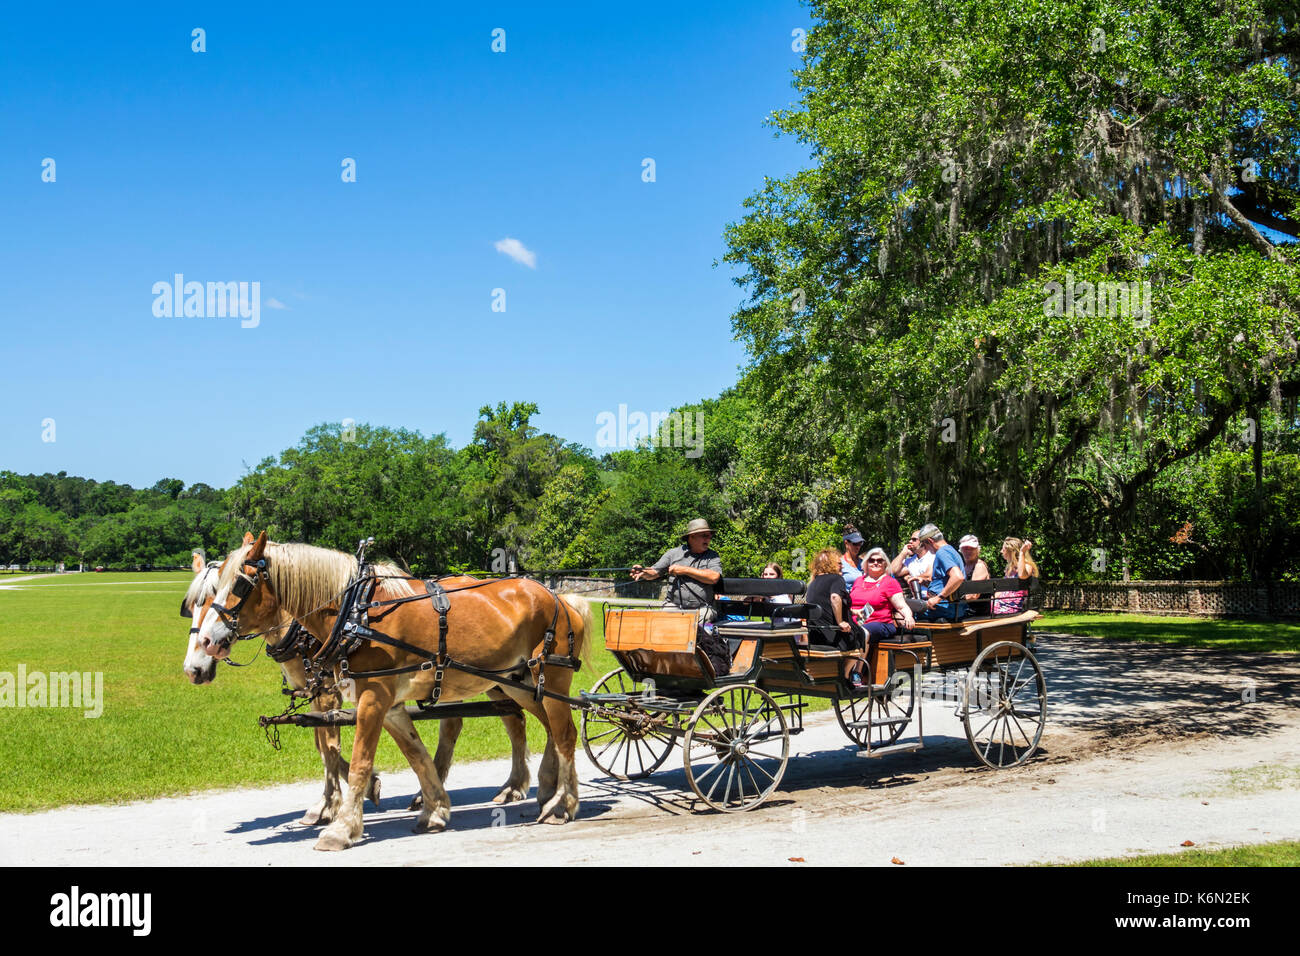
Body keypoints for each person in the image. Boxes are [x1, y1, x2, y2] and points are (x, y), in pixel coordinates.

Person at [631, 518, 728, 674]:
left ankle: (699, 666)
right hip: (674, 606)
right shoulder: (674, 554)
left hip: (702, 608)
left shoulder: (712, 556)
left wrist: (684, 570)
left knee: (695, 627)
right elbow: (655, 572)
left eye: (709, 536)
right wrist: (642, 572)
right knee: (658, 625)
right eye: (704, 536)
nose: (708, 539)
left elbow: (713, 577)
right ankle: (659, 664)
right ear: (691, 537)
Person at [848, 547, 915, 685]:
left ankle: (857, 672)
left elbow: (901, 605)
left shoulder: (889, 582)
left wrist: (909, 616)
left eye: (880, 560)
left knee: (863, 632)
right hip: (856, 622)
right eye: (872, 560)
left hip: (881, 623)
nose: (876, 563)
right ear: (866, 564)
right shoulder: (858, 581)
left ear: (885, 564)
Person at [804, 548, 864, 683]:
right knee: (861, 637)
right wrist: (840, 621)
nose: (841, 565)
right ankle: (846, 675)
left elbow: (823, 604)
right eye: (838, 563)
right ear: (829, 564)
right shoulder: (836, 578)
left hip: (816, 635)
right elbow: (835, 598)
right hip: (834, 636)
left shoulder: (813, 582)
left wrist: (852, 611)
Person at [911, 524, 967, 621]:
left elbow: (958, 577)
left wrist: (938, 598)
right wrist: (925, 581)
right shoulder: (951, 550)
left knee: (903, 611)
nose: (925, 549)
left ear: (930, 541)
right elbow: (944, 580)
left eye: (924, 545)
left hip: (945, 608)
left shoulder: (942, 552)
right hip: (952, 607)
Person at [993, 537, 1039, 615]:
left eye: (1003, 549)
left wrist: (1022, 552)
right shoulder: (1009, 569)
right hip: (1001, 604)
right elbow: (1003, 590)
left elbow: (1021, 575)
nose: (1001, 551)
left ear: (1011, 552)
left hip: (1013, 607)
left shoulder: (1027, 566)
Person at [890, 529, 934, 600]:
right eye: (910, 539)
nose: (910, 542)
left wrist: (908, 578)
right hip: (916, 599)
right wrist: (903, 553)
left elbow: (928, 576)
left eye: (914, 539)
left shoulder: (932, 557)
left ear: (923, 541)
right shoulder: (911, 561)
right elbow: (893, 571)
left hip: (931, 599)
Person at [958, 535, 991, 615]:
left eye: (971, 548)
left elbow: (973, 596)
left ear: (977, 550)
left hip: (976, 613)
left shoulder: (979, 566)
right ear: (961, 550)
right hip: (965, 609)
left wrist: (951, 598)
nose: (968, 551)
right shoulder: (965, 566)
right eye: (965, 548)